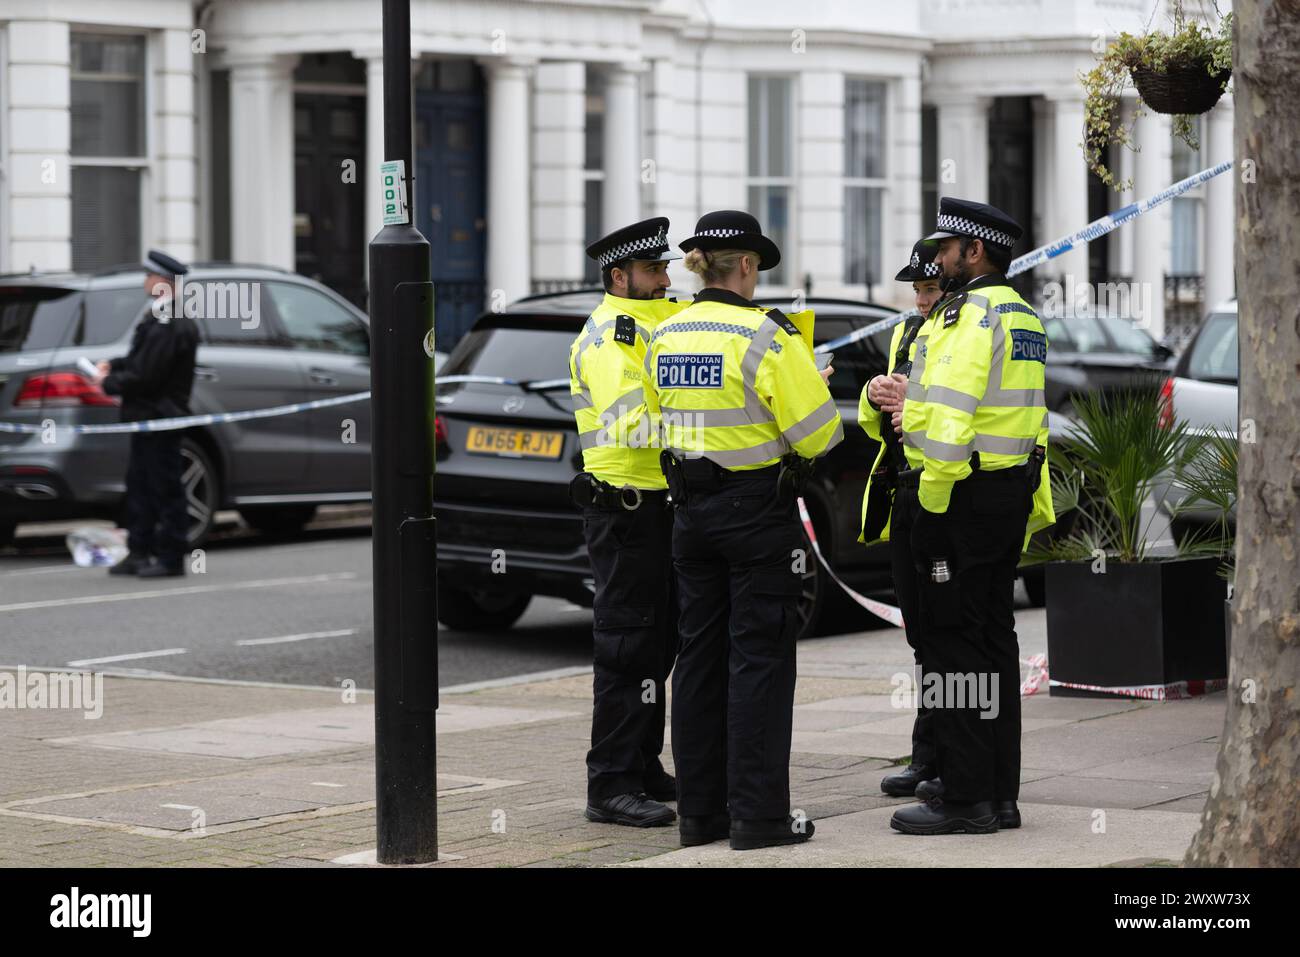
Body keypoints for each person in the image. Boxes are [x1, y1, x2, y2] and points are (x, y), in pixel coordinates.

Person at [647, 210, 841, 851]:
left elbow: (655, 419)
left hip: (690, 514)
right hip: (756, 512)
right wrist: (811, 385)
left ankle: (701, 816)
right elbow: (819, 435)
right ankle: (758, 817)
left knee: (697, 661)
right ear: (749, 265)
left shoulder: (666, 334)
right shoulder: (767, 336)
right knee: (758, 658)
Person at [889, 198, 1054, 836]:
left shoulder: (968, 317)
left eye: (945, 249)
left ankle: (962, 799)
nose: (936, 259)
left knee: (954, 647)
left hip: (957, 499)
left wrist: (929, 507)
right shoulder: (1023, 314)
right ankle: (999, 795)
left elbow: (953, 423)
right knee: (993, 643)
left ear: (974, 253)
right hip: (1006, 496)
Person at [569, 217, 690, 828]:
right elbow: (632, 425)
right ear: (620, 276)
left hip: (659, 505)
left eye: (667, 268)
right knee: (626, 646)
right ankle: (610, 782)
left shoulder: (657, 322)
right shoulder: (613, 337)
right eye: (654, 270)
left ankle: (643, 764)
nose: (666, 278)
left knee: (659, 641)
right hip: (624, 509)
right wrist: (709, 429)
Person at [858, 239, 947, 797]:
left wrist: (911, 396)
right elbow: (881, 420)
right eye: (915, 289)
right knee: (920, 634)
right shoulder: (907, 332)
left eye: (929, 288)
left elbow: (958, 409)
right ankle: (926, 755)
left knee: (947, 634)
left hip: (945, 493)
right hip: (906, 490)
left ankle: (945, 760)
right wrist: (874, 393)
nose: (919, 300)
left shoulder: (966, 331)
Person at [97, 251, 200, 578]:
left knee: (164, 489)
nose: (145, 282)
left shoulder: (169, 322)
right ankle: (139, 551)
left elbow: (147, 376)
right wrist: (114, 365)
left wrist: (108, 383)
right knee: (139, 487)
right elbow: (139, 360)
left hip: (160, 418)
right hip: (147, 419)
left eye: (149, 276)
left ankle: (170, 557)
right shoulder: (159, 317)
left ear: (163, 282)